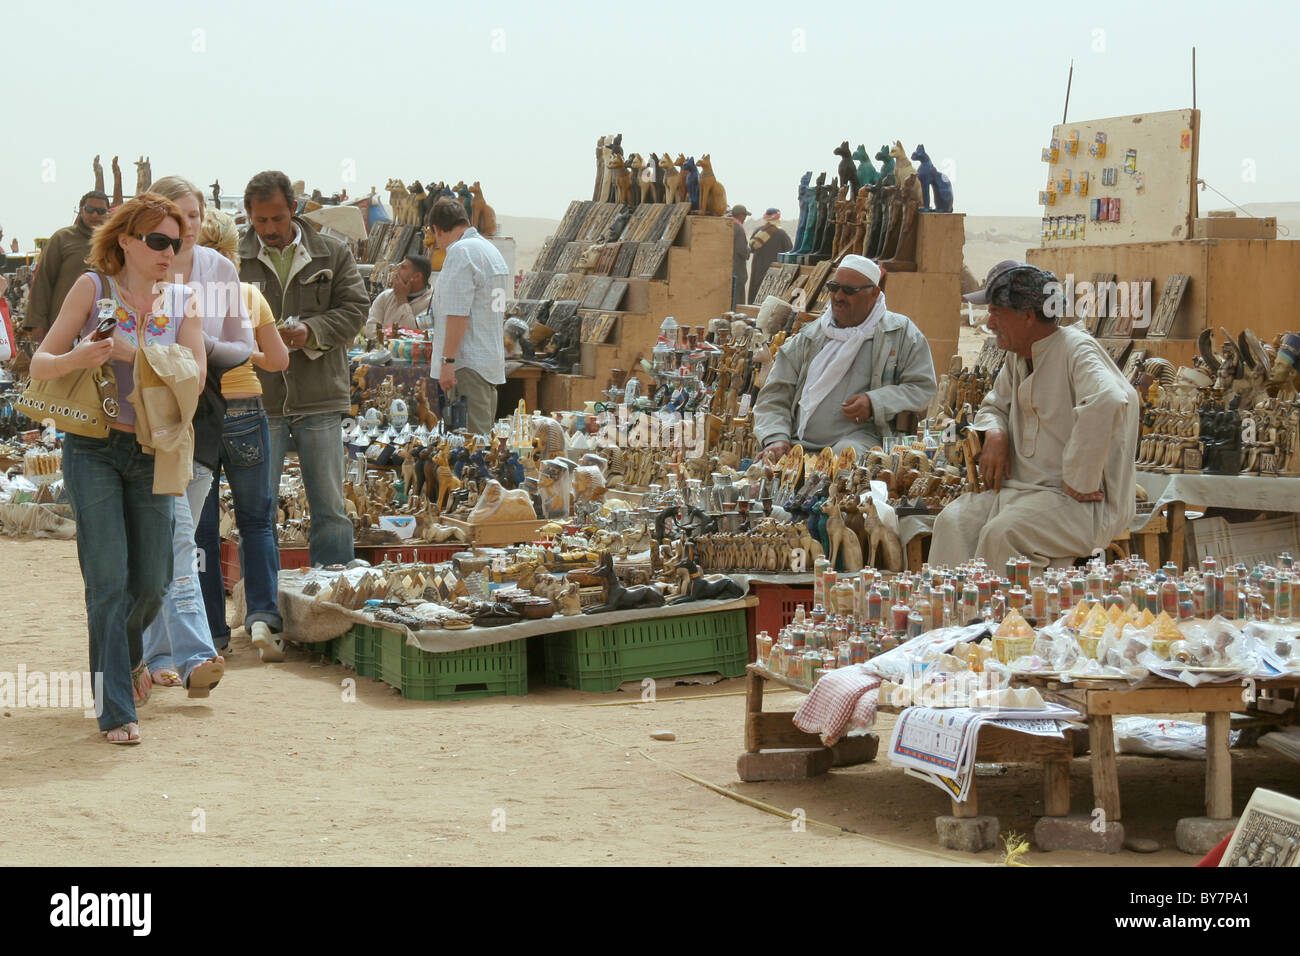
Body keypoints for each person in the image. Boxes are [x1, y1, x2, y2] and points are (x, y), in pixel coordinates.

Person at [29, 194, 207, 744]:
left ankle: (128, 657)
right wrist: (77, 357)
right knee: (107, 581)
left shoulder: (183, 301)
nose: (168, 251)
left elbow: (197, 377)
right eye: (157, 240)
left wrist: (133, 354)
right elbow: (41, 362)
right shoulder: (92, 288)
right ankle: (115, 710)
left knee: (152, 582)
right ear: (126, 240)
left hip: (155, 449)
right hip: (93, 447)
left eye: (175, 242)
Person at [929, 261, 1139, 572]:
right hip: (1022, 492)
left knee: (1003, 535)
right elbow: (993, 407)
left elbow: (1108, 399)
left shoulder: (1076, 348)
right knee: (953, 521)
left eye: (996, 312)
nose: (989, 323)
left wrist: (1080, 478)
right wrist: (995, 433)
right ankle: (954, 603)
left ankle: (1001, 606)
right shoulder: (1018, 356)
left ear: (1027, 316)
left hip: (1080, 503)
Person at [138, 176, 254, 688]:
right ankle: (172, 654)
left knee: (178, 534)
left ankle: (166, 656)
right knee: (168, 536)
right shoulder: (135, 270)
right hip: (142, 418)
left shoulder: (219, 270)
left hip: (200, 414)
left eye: (194, 216)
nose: (187, 226)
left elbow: (242, 346)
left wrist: (197, 344)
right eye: (177, 216)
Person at [237, 170, 367, 568]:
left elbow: (355, 309)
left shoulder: (332, 253)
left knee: (329, 506)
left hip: (319, 396)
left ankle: (334, 590)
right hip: (261, 401)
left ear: (294, 209)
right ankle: (260, 592)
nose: (270, 229)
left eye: (277, 218)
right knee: (258, 510)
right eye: (260, 220)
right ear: (249, 215)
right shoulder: (233, 260)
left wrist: (311, 331)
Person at [194, 209, 292, 662]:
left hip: (201, 415)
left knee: (202, 531)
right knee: (256, 520)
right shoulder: (248, 294)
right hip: (246, 411)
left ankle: (213, 633)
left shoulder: (181, 296)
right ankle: (263, 618)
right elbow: (279, 360)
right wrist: (244, 351)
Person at [754, 255, 936, 459]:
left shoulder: (900, 334)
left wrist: (875, 402)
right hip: (797, 441)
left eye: (849, 291)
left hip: (863, 439)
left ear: (874, 293)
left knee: (844, 458)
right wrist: (776, 438)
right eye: (834, 288)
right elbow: (773, 397)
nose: (838, 296)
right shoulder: (809, 337)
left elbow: (922, 389)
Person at [420, 196, 508, 436]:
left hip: (467, 364)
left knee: (470, 445)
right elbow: (498, 308)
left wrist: (447, 362)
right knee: (483, 439)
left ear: (437, 229)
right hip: (488, 361)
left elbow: (458, 313)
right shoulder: (491, 251)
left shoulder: (461, 252)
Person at [23, 191, 111, 343]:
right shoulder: (62, 238)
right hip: (63, 324)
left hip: (102, 324)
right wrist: (37, 323)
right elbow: (43, 282)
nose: (95, 215)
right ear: (81, 211)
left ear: (107, 213)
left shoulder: (115, 242)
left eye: (101, 211)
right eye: (90, 210)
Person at [364, 255, 433, 339]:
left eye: (403, 268)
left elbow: (413, 335)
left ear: (417, 276)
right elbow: (370, 331)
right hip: (381, 347)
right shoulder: (385, 296)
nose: (397, 271)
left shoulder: (432, 303)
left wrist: (402, 299)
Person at [748, 208, 793, 304]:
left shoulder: (758, 232)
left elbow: (751, 249)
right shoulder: (781, 233)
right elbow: (789, 251)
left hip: (757, 268)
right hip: (773, 270)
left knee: (755, 294)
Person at [729, 205, 750, 308]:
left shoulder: (728, 225)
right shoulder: (738, 228)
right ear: (741, 216)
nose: (745, 219)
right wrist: (748, 250)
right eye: (745, 216)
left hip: (729, 267)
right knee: (737, 299)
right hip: (738, 269)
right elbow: (742, 250)